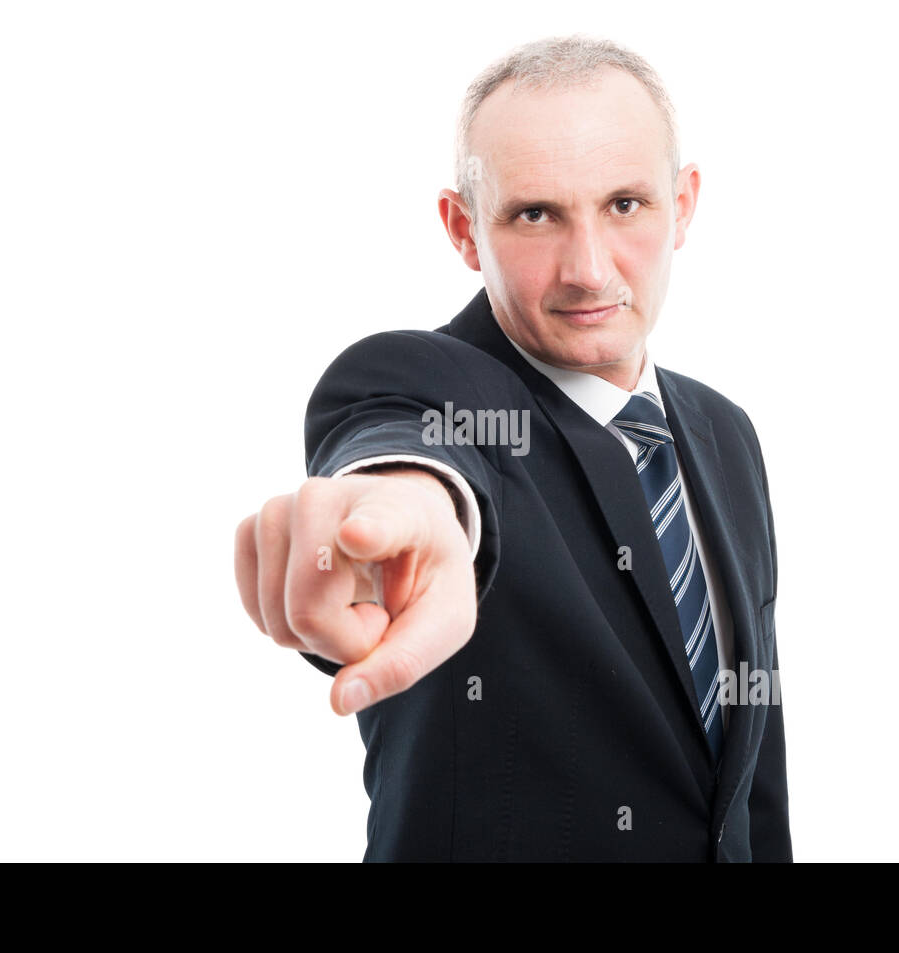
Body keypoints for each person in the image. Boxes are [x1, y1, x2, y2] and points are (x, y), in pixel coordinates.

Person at [233, 34, 791, 862]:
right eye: (536, 214)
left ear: (686, 204)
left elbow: (752, 764)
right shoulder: (425, 380)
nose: (590, 269)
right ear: (463, 231)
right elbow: (414, 448)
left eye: (626, 204)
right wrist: (413, 507)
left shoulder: (725, 433)